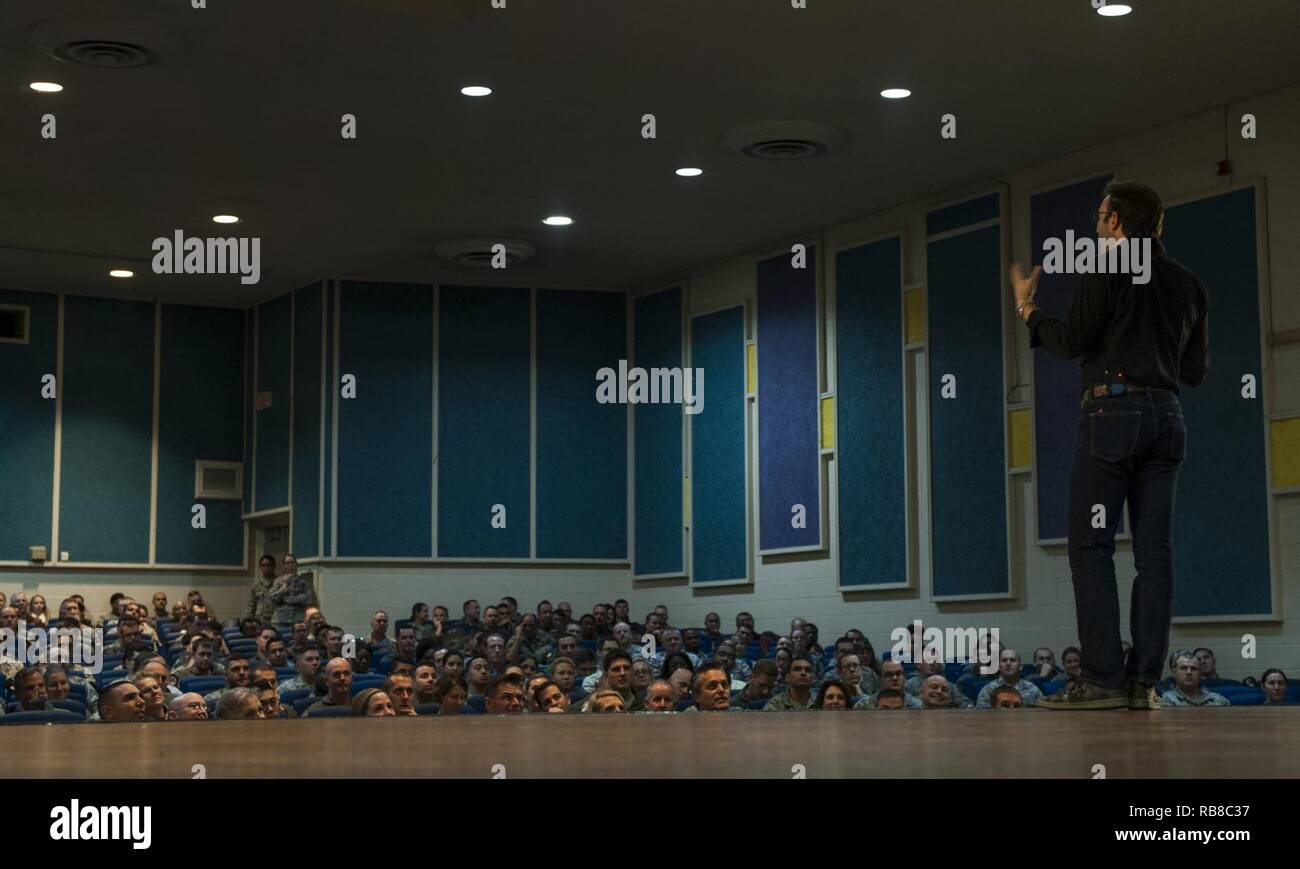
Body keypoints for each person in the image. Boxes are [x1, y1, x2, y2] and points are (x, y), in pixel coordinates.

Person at [1017, 181, 1210, 711]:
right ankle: (1143, 682)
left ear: (1117, 224)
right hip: (1167, 420)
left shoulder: (1109, 264)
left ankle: (1101, 678)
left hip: (1111, 416)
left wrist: (1028, 311)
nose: (1096, 226)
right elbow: (1193, 371)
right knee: (1155, 552)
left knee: (1093, 548)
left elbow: (1072, 340)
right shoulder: (1190, 285)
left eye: (1100, 217)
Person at [976, 650, 1042, 708]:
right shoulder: (988, 690)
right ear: (998, 667)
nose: (1008, 663)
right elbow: (981, 714)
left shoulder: (1033, 689)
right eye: (1004, 660)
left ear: (1020, 666)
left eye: (1012, 660)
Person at [1159, 654, 1229, 706]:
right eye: (1184, 668)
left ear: (1200, 674)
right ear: (1174, 673)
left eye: (1193, 669)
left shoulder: (1219, 700)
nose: (1189, 672)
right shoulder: (1165, 701)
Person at [269, 555, 316, 629]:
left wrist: (287, 599)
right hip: (280, 621)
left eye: (292, 562)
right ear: (284, 565)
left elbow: (308, 599)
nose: (290, 565)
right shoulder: (278, 581)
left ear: (296, 564)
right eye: (287, 563)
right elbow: (273, 599)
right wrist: (283, 588)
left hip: (298, 620)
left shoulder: (304, 581)